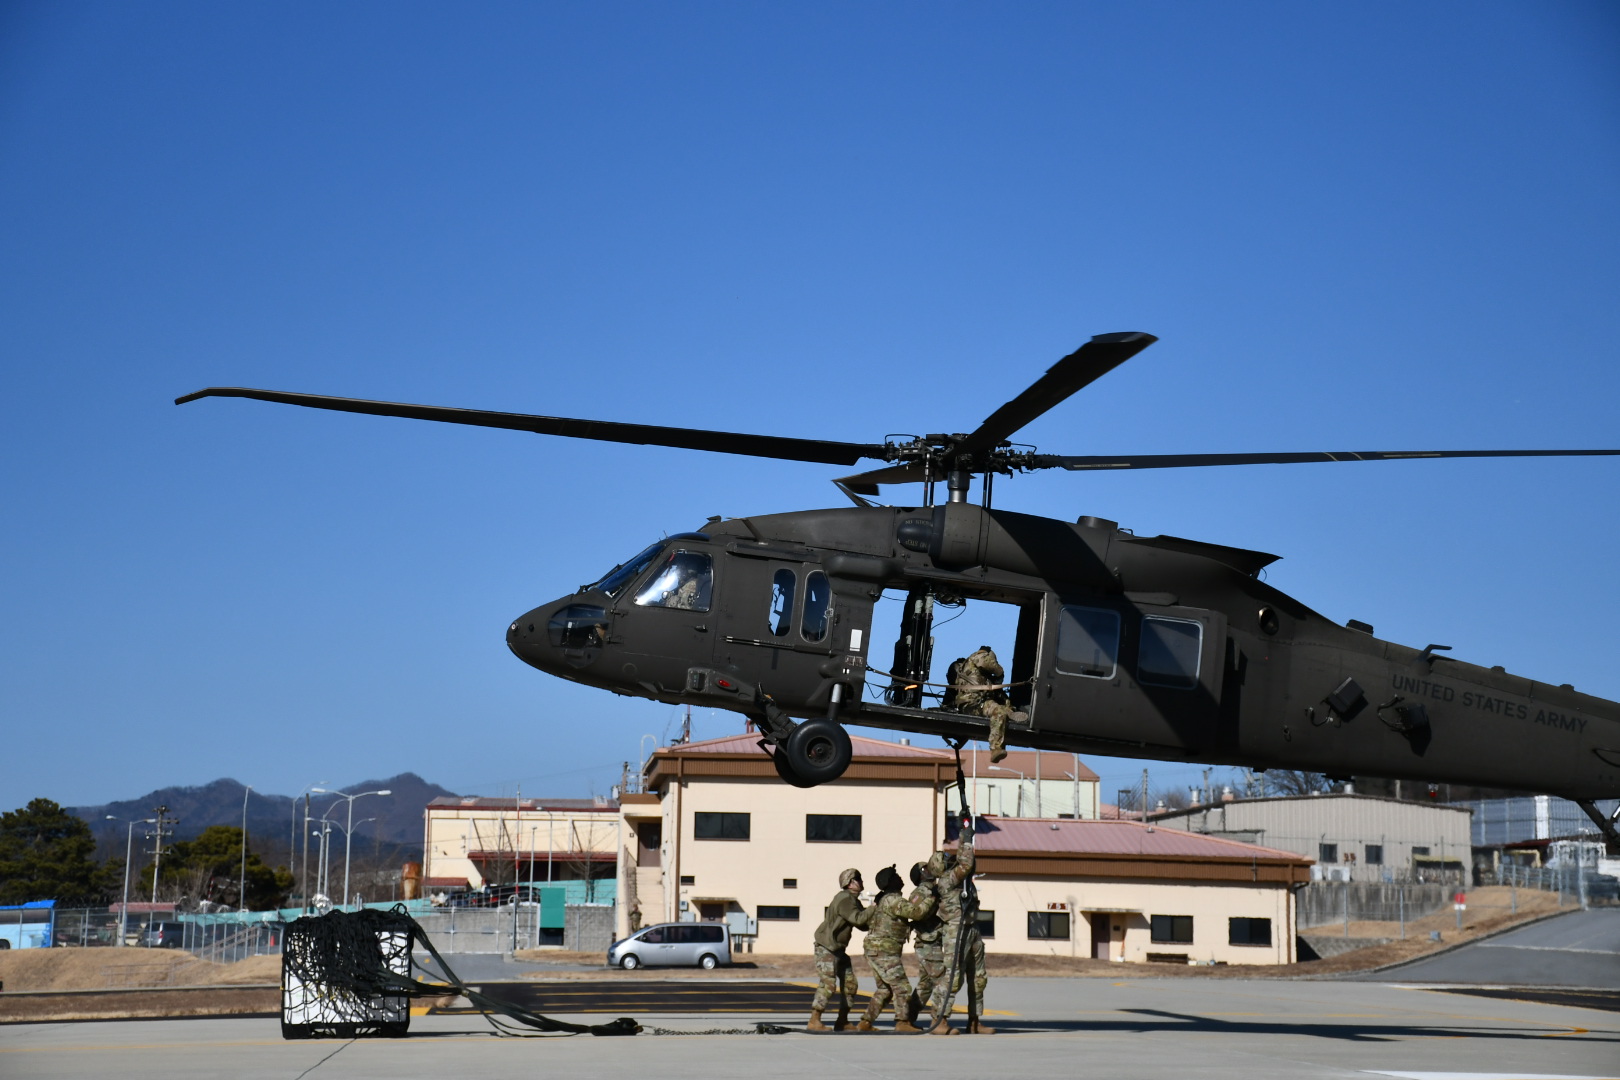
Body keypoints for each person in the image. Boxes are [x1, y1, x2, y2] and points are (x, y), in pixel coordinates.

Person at [927, 821, 991, 1034]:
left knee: (978, 976)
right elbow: (965, 865)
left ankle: (974, 1020)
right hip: (956, 929)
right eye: (945, 859)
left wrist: (966, 843)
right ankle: (940, 1018)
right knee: (953, 976)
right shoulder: (946, 880)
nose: (950, 859)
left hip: (971, 927)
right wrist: (965, 840)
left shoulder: (960, 877)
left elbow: (968, 865)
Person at [857, 865, 936, 1033]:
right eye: (896, 876)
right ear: (889, 881)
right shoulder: (893, 899)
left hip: (876, 949)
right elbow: (917, 912)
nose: (900, 878)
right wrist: (932, 897)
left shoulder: (885, 899)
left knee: (885, 990)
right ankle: (902, 1022)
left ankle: (865, 1022)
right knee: (902, 987)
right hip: (883, 950)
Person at [808, 867, 868, 1032]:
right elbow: (858, 918)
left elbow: (863, 925)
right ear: (850, 883)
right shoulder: (844, 899)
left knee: (850, 984)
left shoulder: (852, 900)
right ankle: (815, 1020)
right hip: (827, 948)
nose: (862, 881)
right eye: (859, 878)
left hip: (838, 950)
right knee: (828, 984)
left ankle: (843, 1021)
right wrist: (875, 907)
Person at [954, 645, 1024, 764]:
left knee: (1001, 707)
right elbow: (992, 666)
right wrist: (999, 673)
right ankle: (996, 748)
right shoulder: (978, 657)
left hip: (973, 704)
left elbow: (998, 694)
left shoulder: (976, 672)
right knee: (999, 711)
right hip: (972, 705)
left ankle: (1009, 712)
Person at [904, 862, 946, 1028]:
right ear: (920, 875)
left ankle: (907, 1016)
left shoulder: (935, 888)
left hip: (934, 940)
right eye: (925, 869)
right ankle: (938, 1020)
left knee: (925, 985)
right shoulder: (920, 892)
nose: (930, 870)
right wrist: (932, 897)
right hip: (927, 942)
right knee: (941, 981)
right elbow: (916, 912)